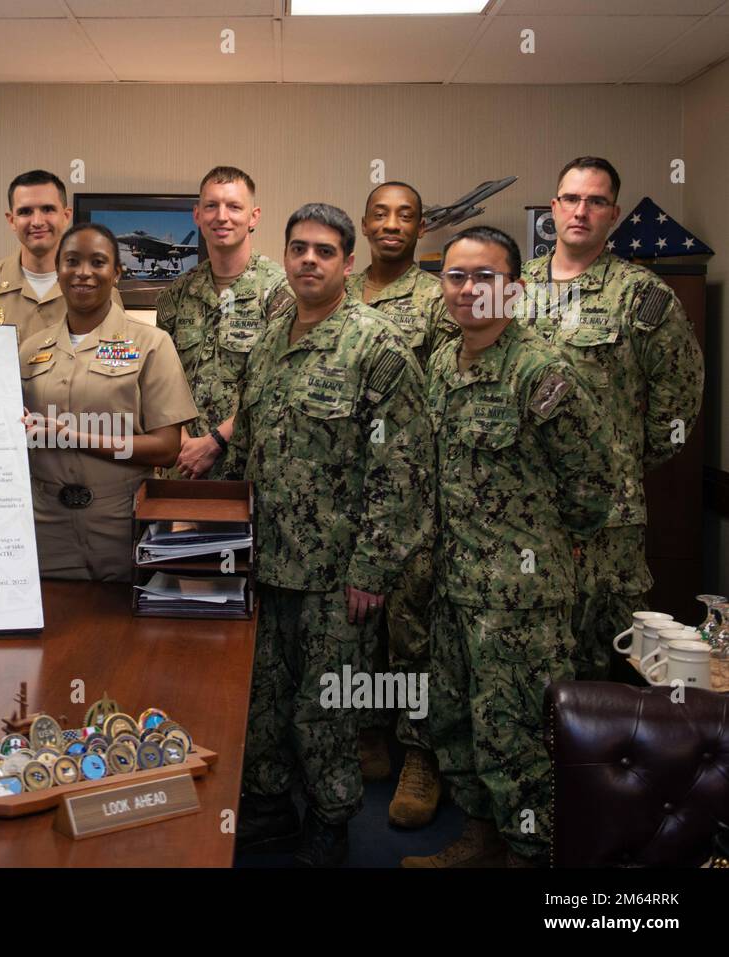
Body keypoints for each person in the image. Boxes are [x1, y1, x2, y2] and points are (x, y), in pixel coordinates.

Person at [403, 226, 614, 868]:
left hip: (518, 602)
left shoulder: (543, 372)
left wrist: (544, 550)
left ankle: (532, 858)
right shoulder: (441, 363)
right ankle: (480, 839)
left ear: (514, 289)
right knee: (457, 726)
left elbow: (592, 487)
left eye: (485, 277)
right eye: (456, 276)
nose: (468, 289)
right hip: (451, 588)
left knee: (518, 742)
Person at [229, 204, 431, 865]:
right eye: (298, 248)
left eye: (323, 250)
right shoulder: (267, 339)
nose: (308, 259)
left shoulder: (377, 347)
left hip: (335, 575)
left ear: (348, 262)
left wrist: (372, 569)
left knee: (326, 707)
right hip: (264, 564)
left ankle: (330, 820)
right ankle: (266, 808)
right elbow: (250, 447)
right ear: (284, 257)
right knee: (260, 705)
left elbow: (401, 468)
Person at [521, 156, 703, 681]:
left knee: (604, 660)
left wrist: (617, 463)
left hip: (608, 523)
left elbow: (679, 399)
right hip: (522, 509)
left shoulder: (642, 296)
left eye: (596, 201)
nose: (582, 211)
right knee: (526, 650)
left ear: (614, 213)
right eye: (572, 199)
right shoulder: (514, 287)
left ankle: (599, 763)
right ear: (553, 208)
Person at [345, 181, 455, 826]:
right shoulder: (340, 287)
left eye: (406, 215)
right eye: (381, 213)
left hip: (410, 486)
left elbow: (441, 388)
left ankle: (420, 754)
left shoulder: (436, 298)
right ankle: (366, 735)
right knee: (355, 629)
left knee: (411, 625)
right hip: (343, 486)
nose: (392, 224)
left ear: (420, 228)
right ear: (363, 224)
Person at [19, 223, 196, 582]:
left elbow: (166, 447)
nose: (83, 273)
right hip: (44, 529)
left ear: (116, 273)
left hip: (120, 525)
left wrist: (74, 438)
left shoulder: (151, 344)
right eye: (72, 261)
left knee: (127, 633)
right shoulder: (29, 349)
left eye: (98, 262)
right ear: (58, 269)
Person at [157, 167, 291, 480]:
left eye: (234, 206)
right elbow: (157, 381)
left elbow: (279, 385)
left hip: (252, 467)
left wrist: (216, 441)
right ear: (197, 215)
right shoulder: (176, 294)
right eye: (211, 206)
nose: (221, 216)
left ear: (254, 216)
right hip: (183, 464)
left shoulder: (280, 292)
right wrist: (180, 439)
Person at [0, 169, 122, 343]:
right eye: (25, 212)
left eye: (48, 209)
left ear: (66, 216)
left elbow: (116, 364)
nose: (38, 221)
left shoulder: (103, 292)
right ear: (12, 221)